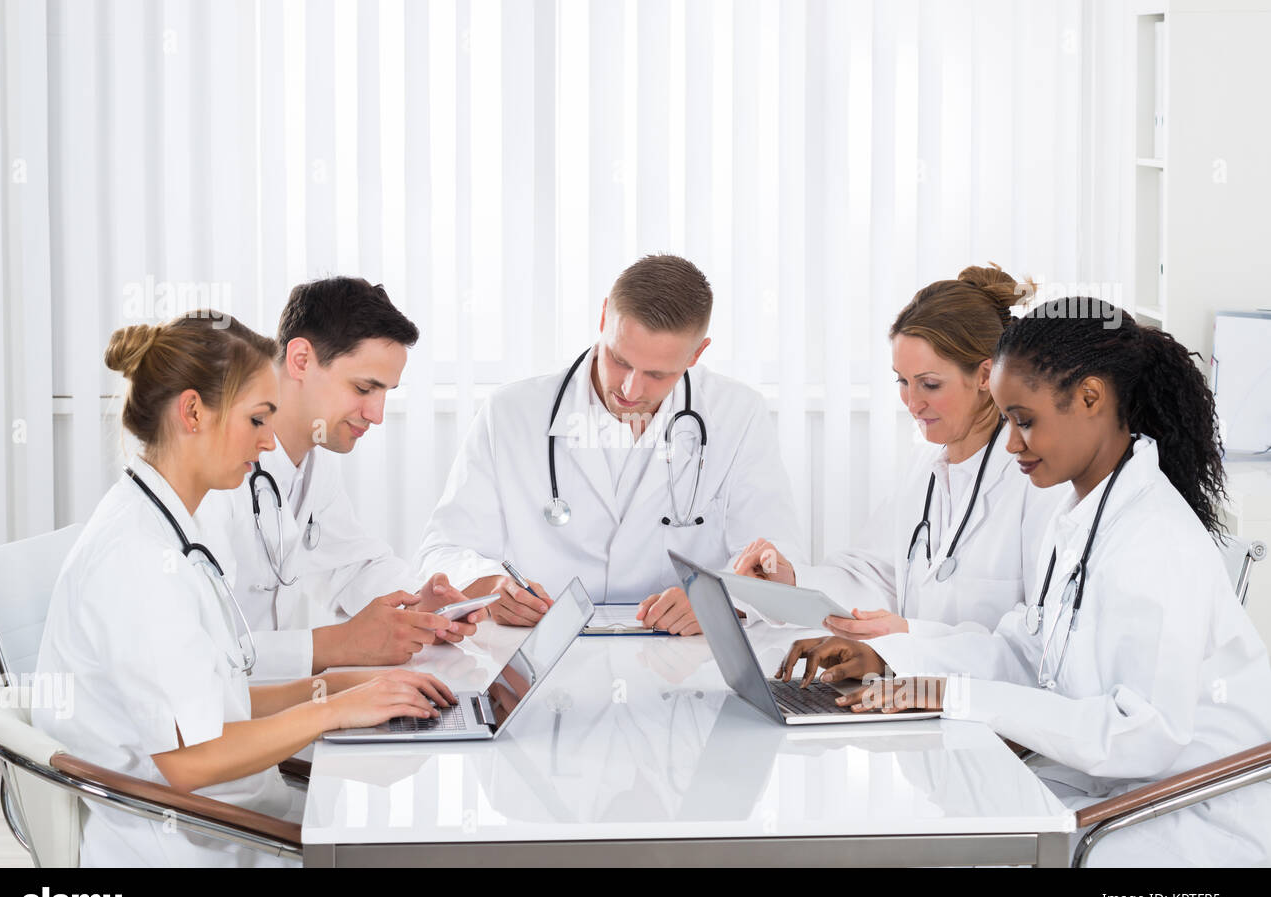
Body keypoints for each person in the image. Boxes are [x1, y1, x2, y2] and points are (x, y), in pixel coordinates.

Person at [777, 298, 1271, 866]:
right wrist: (892, 660)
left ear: (1090, 398)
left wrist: (957, 695)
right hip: (1105, 789)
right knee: (923, 828)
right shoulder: (1081, 514)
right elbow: (1025, 649)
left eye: (1025, 420)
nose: (1011, 443)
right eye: (1007, 420)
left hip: (1189, 815)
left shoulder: (1154, 539)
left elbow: (1142, 734)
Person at [33, 313, 455, 866]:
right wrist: (335, 710)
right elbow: (191, 761)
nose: (266, 440)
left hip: (238, 813)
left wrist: (335, 689)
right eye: (257, 419)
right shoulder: (139, 559)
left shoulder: (171, 525)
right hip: (195, 841)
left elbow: (215, 702)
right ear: (192, 412)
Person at [415, 254, 803, 635]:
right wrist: (490, 586)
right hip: (539, 646)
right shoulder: (509, 413)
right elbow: (444, 550)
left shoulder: (739, 413)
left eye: (656, 373)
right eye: (620, 360)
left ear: (697, 354)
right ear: (604, 318)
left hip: (683, 658)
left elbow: (774, 558)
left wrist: (720, 600)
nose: (631, 389)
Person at [735, 264, 1062, 638]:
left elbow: (1036, 638)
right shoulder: (925, 467)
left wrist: (911, 638)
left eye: (930, 384)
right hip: (913, 683)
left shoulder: (1037, 479)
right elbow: (875, 575)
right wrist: (789, 582)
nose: (912, 402)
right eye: (902, 381)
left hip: (981, 693)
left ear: (986, 376)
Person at [197, 278, 482, 680]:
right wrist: (340, 643)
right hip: (212, 722)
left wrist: (420, 606)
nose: (376, 414)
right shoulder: (213, 471)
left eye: (386, 392)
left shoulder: (313, 461)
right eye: (364, 388)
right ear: (300, 360)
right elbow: (199, 652)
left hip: (260, 705)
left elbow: (350, 565)